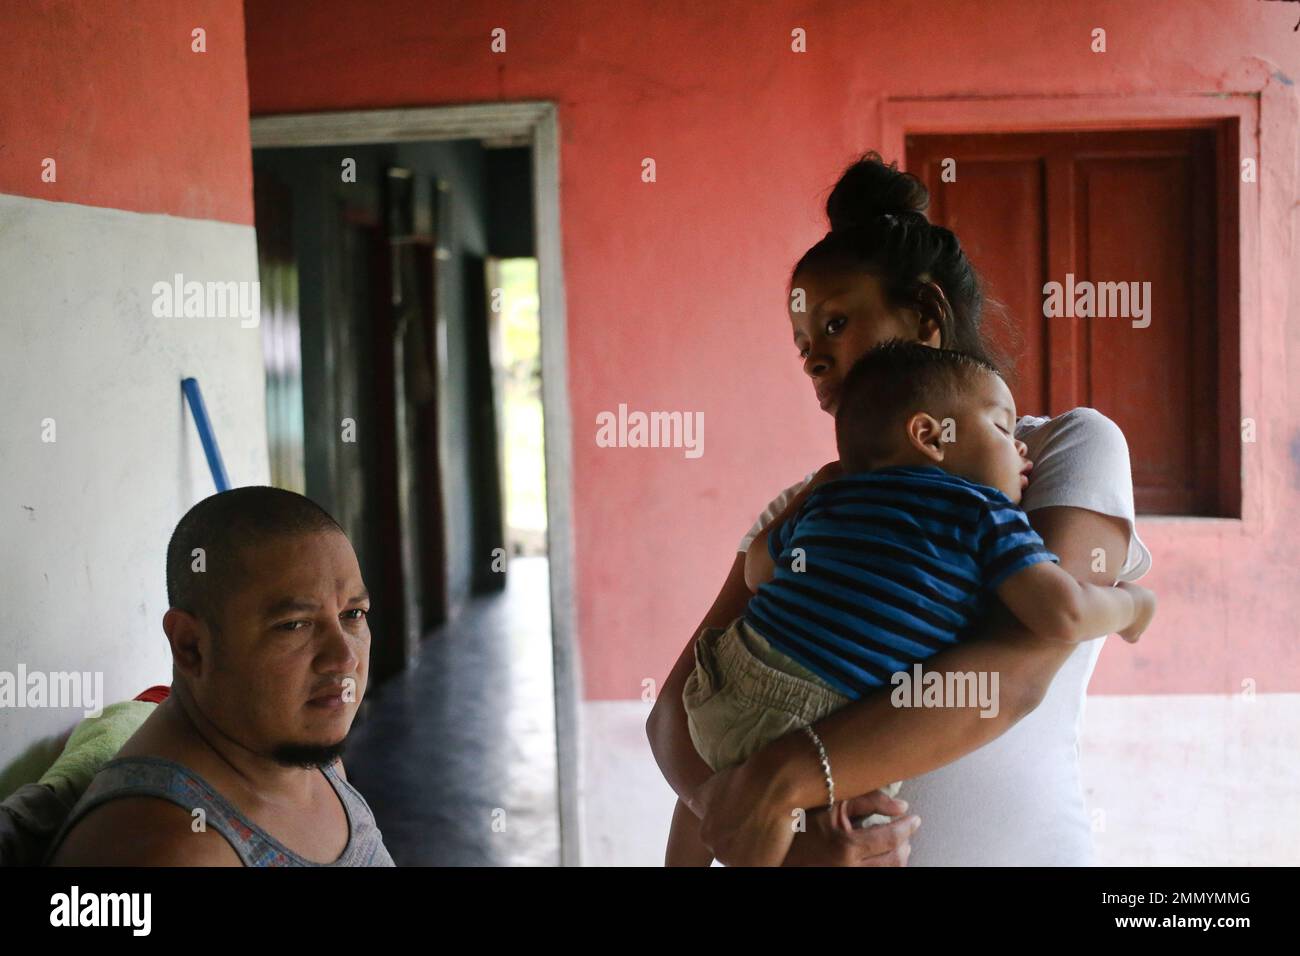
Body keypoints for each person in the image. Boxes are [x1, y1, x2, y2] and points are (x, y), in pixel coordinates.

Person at [646, 152, 1154, 867]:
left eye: (835, 324)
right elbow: (677, 711)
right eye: (802, 346)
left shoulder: (1061, 452)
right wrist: (761, 831)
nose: (814, 361)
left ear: (925, 315)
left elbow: (1014, 672)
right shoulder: (808, 509)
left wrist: (781, 783)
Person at [678, 340, 1155, 865]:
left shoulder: (829, 496)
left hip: (718, 688)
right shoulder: (981, 514)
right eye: (1003, 430)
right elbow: (1062, 613)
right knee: (873, 836)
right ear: (929, 435)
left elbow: (756, 571)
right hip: (809, 715)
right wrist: (1131, 608)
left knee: (721, 805)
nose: (1022, 449)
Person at [46, 487, 394, 866]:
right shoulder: (174, 847)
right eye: (295, 625)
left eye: (353, 614)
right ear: (191, 646)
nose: (344, 658)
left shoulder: (308, 754)